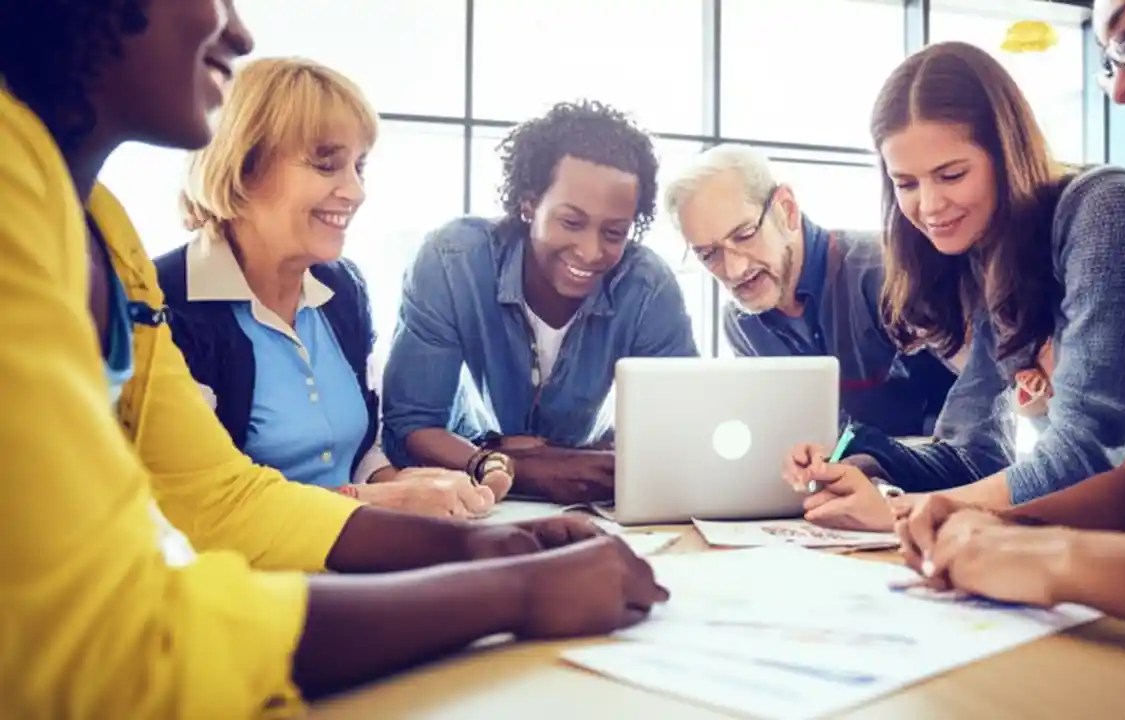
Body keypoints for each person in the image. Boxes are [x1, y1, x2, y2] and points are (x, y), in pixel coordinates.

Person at [0, 1, 666, 715]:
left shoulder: (106, 229)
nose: (237, 30)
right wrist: (514, 590)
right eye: (326, 164)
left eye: (357, 166)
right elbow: (110, 644)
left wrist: (497, 551)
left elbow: (224, 498)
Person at [850, 0, 1125, 656]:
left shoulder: (1105, 205)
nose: (1121, 85)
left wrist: (1041, 553)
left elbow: (1094, 449)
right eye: (1112, 57)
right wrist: (956, 514)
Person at [783, 41, 1125, 531]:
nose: (929, 207)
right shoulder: (988, 251)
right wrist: (868, 470)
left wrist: (901, 512)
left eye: (951, 174)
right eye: (906, 184)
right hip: (1091, 538)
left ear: (1006, 154)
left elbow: (1091, 449)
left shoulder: (1106, 206)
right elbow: (975, 450)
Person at [155, 57, 495, 519]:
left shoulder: (342, 289)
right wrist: (370, 502)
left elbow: (358, 457)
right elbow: (189, 506)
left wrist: (410, 484)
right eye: (326, 164)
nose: (355, 191)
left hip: (349, 558)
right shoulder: (164, 304)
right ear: (243, 166)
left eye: (359, 167)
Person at [382, 100, 699, 505]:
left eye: (615, 232)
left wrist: (547, 457)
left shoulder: (647, 287)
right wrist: (518, 466)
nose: (590, 251)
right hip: (485, 488)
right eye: (571, 222)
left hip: (584, 491)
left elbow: (681, 433)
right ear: (529, 204)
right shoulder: (453, 261)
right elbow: (410, 427)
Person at [665, 144, 968, 442]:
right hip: (839, 482)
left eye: (744, 236)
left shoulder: (886, 270)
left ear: (787, 210)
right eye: (708, 255)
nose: (733, 269)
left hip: (941, 478)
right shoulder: (742, 323)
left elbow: (982, 400)